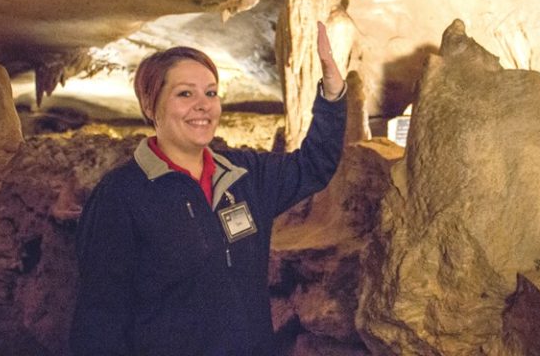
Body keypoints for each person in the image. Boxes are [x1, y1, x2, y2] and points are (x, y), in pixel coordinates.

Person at [69, 22, 347, 356]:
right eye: (185, 93)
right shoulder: (121, 196)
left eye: (211, 93)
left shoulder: (245, 174)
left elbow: (313, 166)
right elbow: (99, 320)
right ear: (149, 105)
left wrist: (332, 94)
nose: (203, 105)